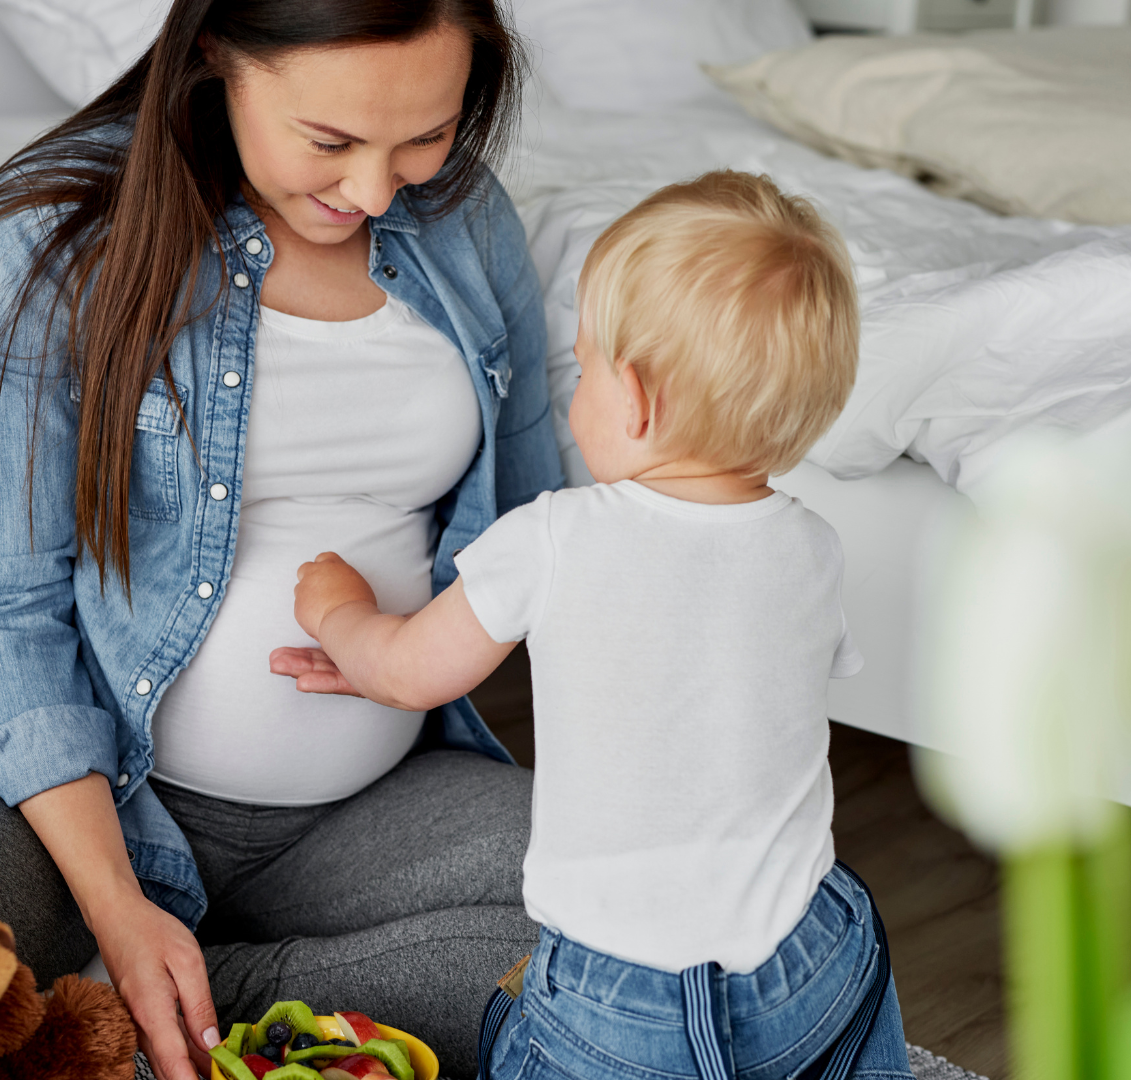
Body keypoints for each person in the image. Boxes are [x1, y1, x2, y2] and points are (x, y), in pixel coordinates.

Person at [0, 2, 562, 1078]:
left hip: (364, 811)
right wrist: (119, 907)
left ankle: (199, 998)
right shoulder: (52, 233)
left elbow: (531, 522)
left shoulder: (466, 224)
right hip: (73, 804)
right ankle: (140, 971)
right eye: (330, 142)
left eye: (424, 136)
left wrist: (421, 645)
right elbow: (6, 612)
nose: (373, 190)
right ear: (218, 55)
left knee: (640, 929)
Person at [277, 171, 916, 1080]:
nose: (570, 388)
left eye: (581, 366)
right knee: (847, 953)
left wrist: (338, 613)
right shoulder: (812, 549)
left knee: (520, 1030)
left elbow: (414, 672)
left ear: (639, 403)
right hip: (806, 962)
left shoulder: (556, 535)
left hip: (627, 1002)